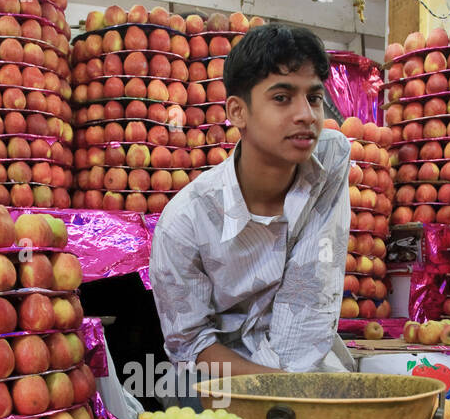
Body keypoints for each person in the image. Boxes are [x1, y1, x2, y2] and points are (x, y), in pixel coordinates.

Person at [149, 24, 354, 381]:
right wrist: (282, 396)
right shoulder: (185, 222)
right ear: (238, 112)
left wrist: (299, 397)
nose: (306, 114)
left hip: (309, 373)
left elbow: (312, 290)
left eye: (315, 98)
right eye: (282, 98)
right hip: (225, 382)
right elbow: (191, 345)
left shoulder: (329, 162)